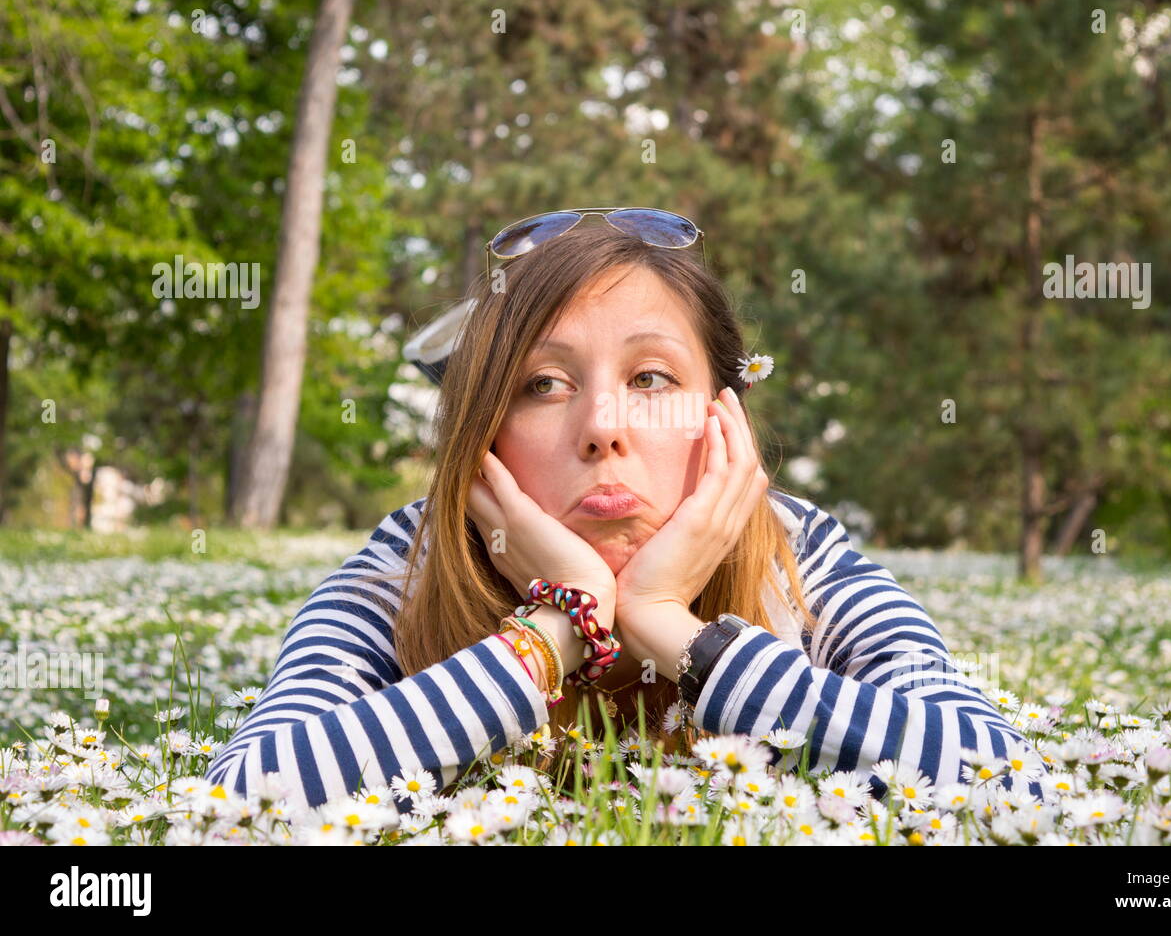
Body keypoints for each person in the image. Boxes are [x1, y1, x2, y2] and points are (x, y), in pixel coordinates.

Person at [205, 208, 1051, 813]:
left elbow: (1012, 783)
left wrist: (675, 631)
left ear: (722, 418)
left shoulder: (800, 556)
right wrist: (555, 629)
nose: (603, 428)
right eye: (542, 385)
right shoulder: (407, 564)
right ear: (481, 435)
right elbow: (235, 807)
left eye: (651, 378)